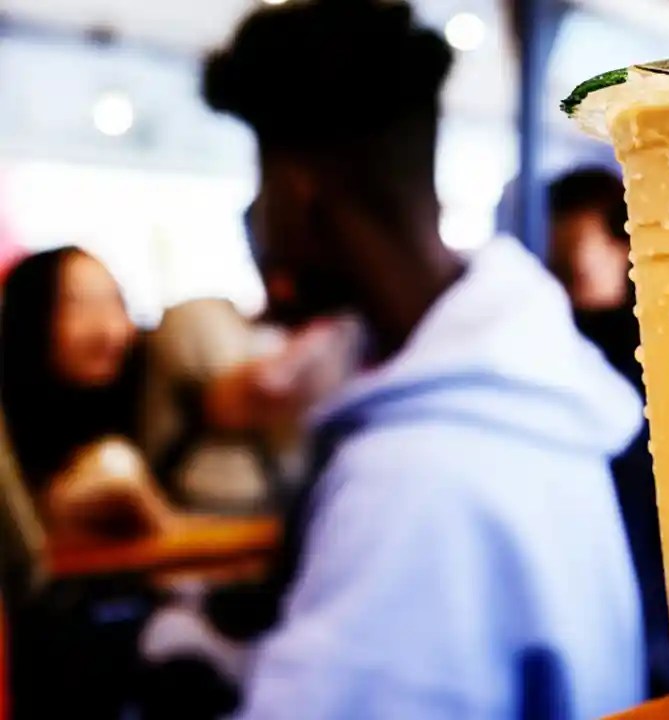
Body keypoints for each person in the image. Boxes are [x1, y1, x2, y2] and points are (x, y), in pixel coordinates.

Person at [202, 1, 645, 717]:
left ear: (298, 189)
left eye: (260, 182)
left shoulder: (414, 483)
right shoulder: (530, 385)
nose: (256, 220)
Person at [548, 169, 669, 695]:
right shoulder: (556, 344)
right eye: (567, 245)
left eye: (594, 241)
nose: (580, 261)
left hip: (652, 583)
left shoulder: (661, 340)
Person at [0, 247, 175, 537]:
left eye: (116, 304)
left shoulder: (146, 407)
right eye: (81, 306)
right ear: (30, 319)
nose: (109, 329)